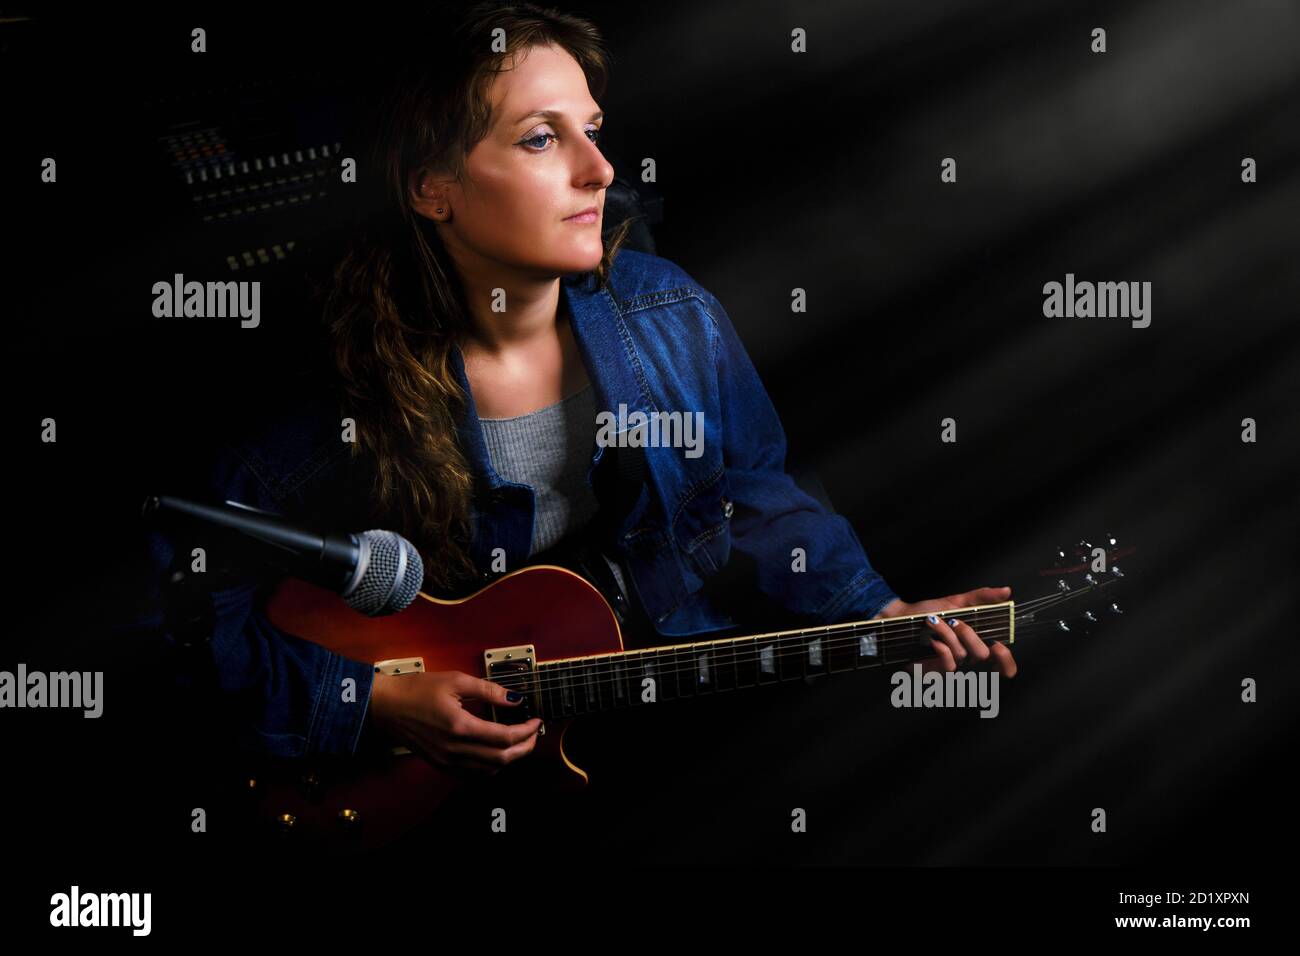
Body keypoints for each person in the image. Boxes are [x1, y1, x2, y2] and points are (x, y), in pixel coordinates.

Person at [143, 1, 1016, 782]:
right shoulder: (328, 404)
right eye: (539, 137)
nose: (598, 169)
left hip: (646, 748)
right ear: (431, 188)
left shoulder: (673, 314)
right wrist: (369, 704)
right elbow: (183, 619)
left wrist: (885, 609)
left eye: (594, 129)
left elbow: (753, 495)